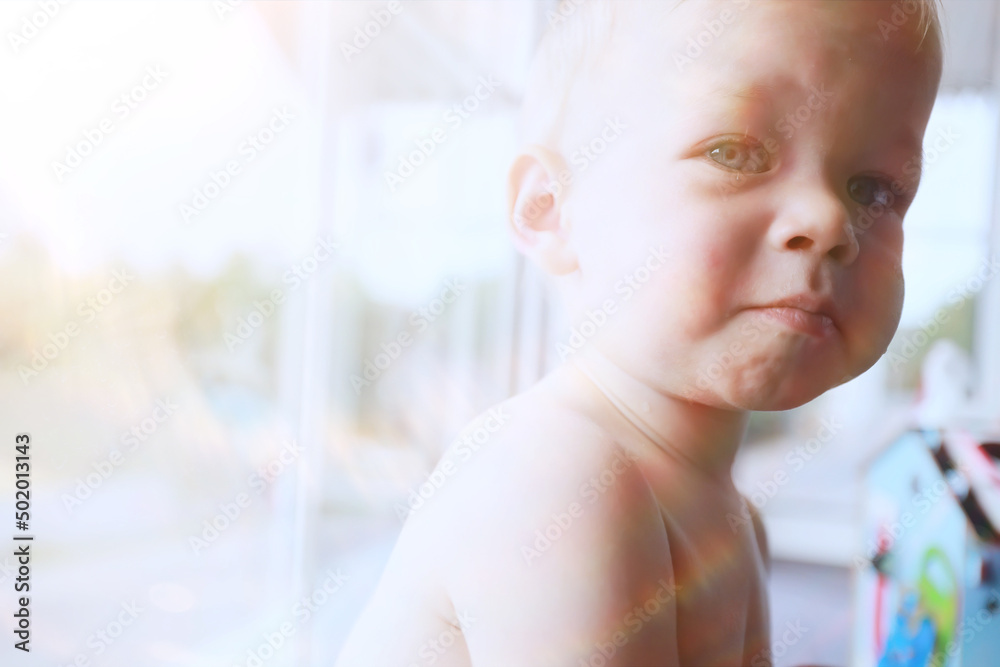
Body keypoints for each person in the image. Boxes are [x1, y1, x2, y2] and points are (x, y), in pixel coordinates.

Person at [336, 0, 944, 664]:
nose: (828, 218)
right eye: (734, 151)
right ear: (551, 210)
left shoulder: (737, 523)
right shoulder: (558, 477)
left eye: (875, 189)